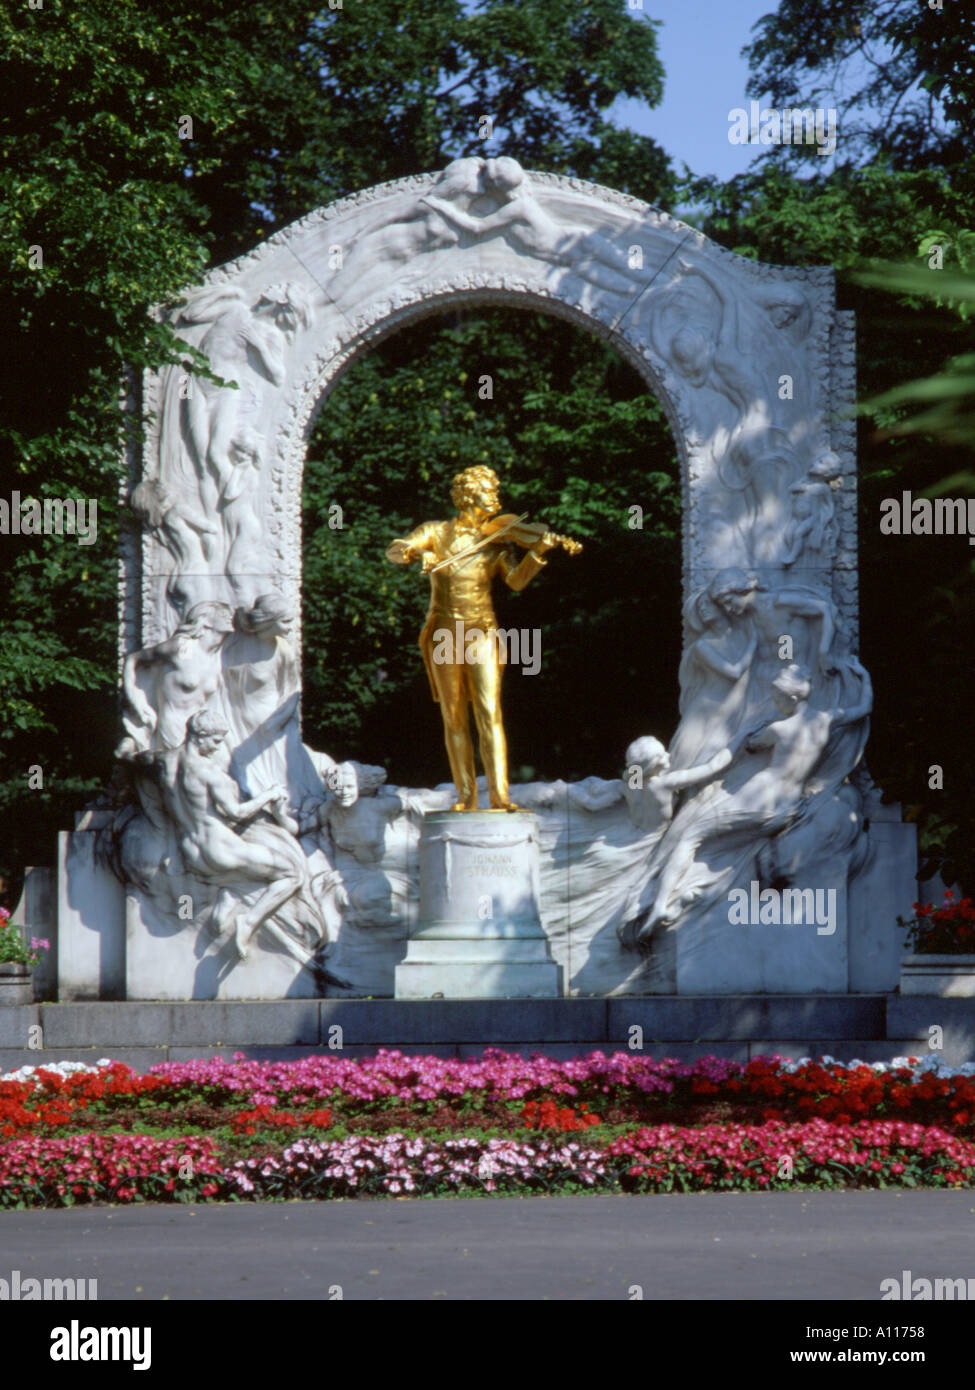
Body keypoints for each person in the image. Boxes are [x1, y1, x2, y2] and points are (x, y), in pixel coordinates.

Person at [386, 465, 568, 811]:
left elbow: (515, 582)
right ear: (470, 495)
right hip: (443, 634)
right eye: (490, 492)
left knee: (489, 710)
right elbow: (396, 550)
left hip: (483, 632)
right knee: (454, 716)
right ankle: (466, 797)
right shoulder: (436, 532)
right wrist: (417, 552)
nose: (497, 498)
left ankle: (500, 796)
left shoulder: (497, 541)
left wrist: (537, 553)